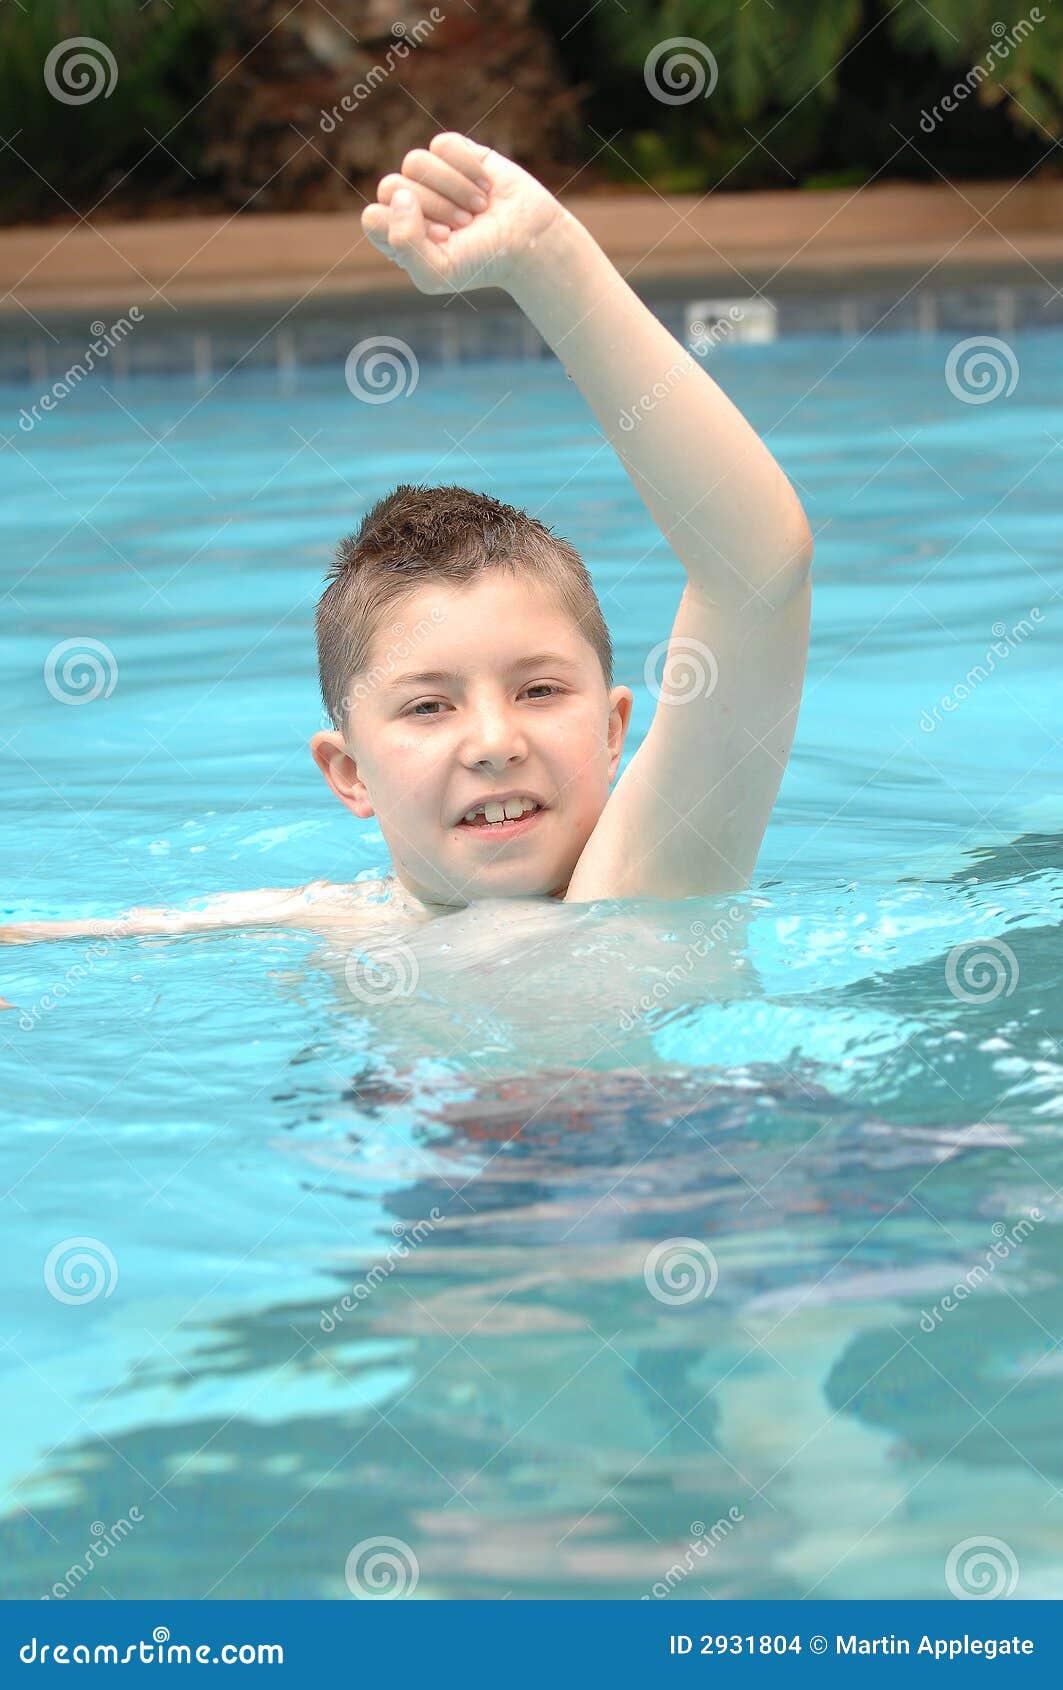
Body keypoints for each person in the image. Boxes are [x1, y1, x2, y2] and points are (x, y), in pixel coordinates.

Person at [1, 131, 812, 951]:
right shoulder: (338, 924)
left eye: (539, 691)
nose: (495, 744)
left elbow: (759, 570)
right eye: (428, 706)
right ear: (348, 772)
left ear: (611, 731)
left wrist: (546, 258)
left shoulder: (642, 886)